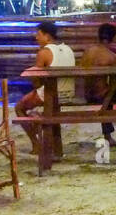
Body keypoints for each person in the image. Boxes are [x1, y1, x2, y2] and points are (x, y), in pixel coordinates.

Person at [15, 21, 76, 154]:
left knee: (19, 107)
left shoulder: (44, 52)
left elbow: (36, 79)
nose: (36, 38)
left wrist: (36, 87)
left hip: (51, 94)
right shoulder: (68, 49)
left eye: (39, 34)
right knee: (50, 111)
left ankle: (36, 144)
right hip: (68, 93)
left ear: (47, 36)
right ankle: (40, 127)